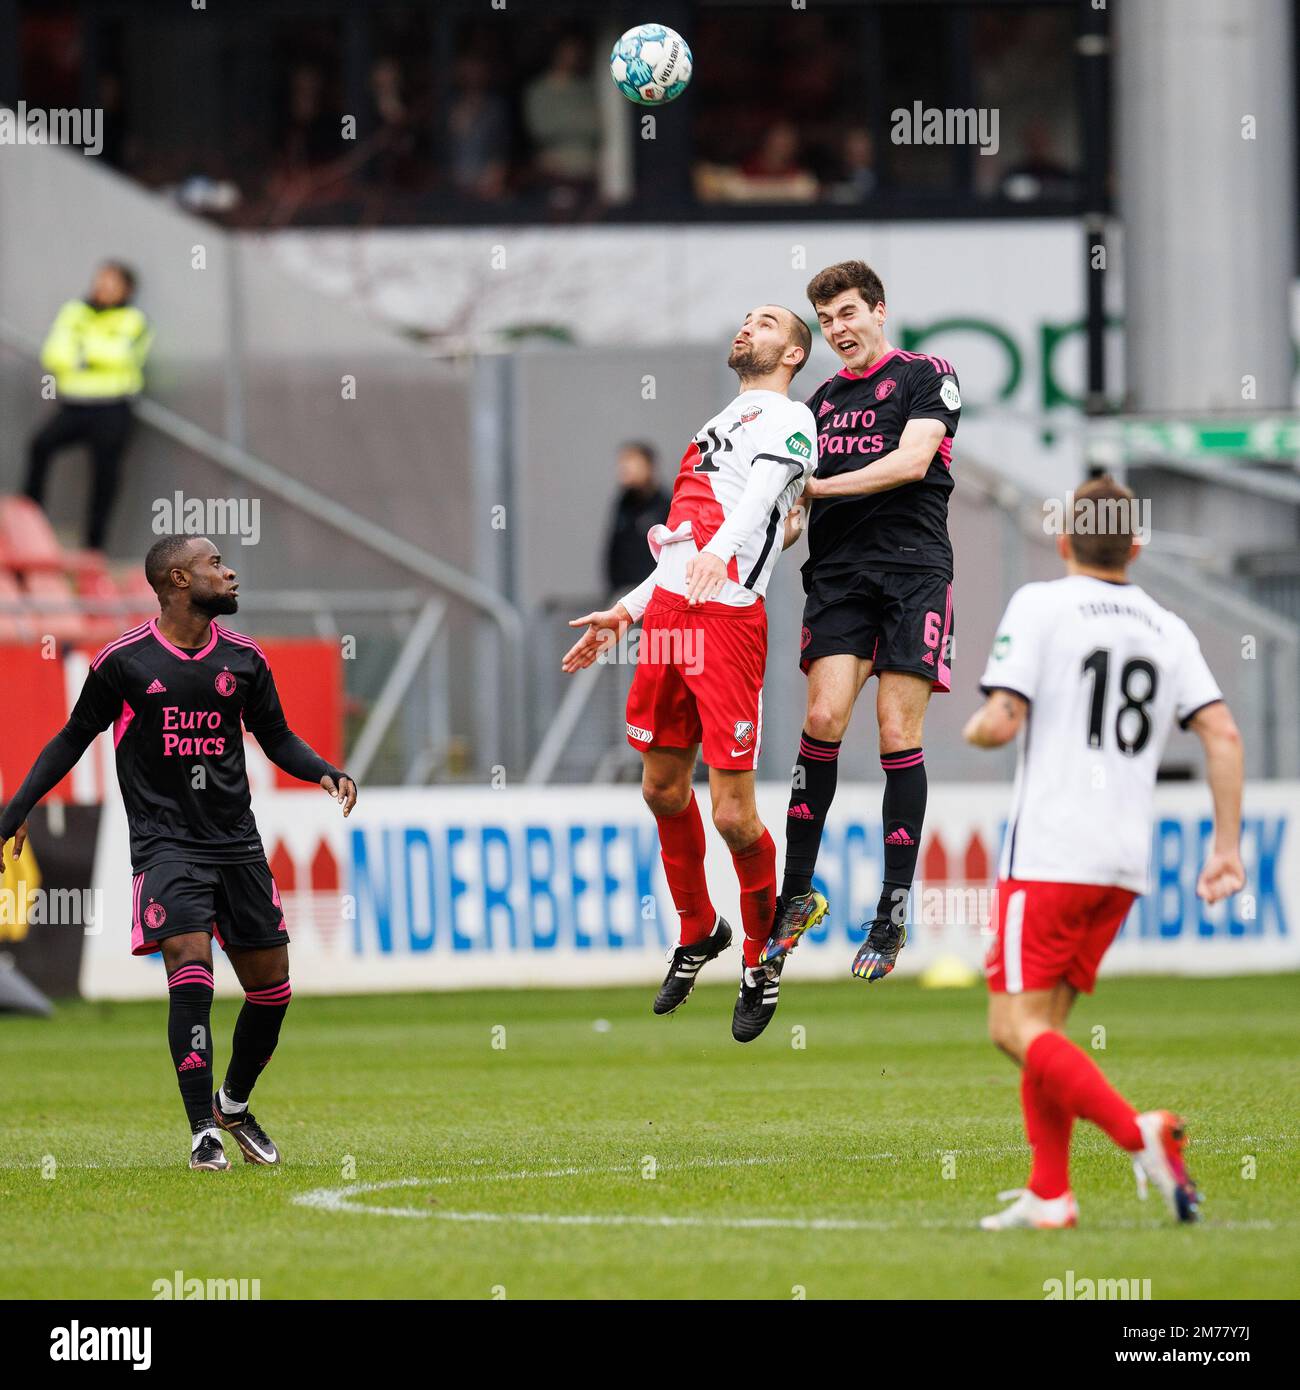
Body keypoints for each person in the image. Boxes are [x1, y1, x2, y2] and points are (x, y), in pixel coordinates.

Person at [0, 536, 358, 1171]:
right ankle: (201, 1131)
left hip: (237, 844)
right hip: (166, 846)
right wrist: (19, 806)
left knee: (270, 989)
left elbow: (274, 737)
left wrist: (324, 770)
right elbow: (72, 737)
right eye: (215, 565)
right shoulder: (124, 662)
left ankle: (233, 1104)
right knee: (190, 967)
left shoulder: (245, 661)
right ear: (178, 580)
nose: (230, 572)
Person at [963, 476, 1244, 1229]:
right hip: (1121, 862)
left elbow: (1003, 714)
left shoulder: (1042, 604)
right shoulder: (1167, 626)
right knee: (1045, 1024)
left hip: (1052, 852)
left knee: (1011, 1028)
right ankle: (1051, 1193)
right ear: (1137, 546)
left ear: (1061, 542)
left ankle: (1137, 1133)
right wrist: (1226, 847)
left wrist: (980, 727)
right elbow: (1222, 734)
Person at [562, 306, 815, 1042]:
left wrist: (722, 555)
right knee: (660, 787)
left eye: (765, 323)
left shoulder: (791, 421)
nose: (747, 329)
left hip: (728, 621)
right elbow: (681, 546)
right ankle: (700, 928)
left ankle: (765, 954)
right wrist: (628, 610)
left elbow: (761, 502)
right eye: (744, 321)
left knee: (733, 815)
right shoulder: (715, 423)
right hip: (671, 619)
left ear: (793, 351)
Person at [761, 260, 961, 984]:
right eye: (826, 319)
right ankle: (796, 896)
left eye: (847, 313)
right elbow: (792, 517)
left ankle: (892, 906)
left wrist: (815, 485)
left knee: (897, 732)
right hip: (840, 577)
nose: (837, 329)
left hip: (913, 572)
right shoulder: (815, 405)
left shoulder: (926, 375)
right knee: (823, 717)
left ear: (878, 310)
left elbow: (910, 464)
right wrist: (737, 554)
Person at [25, 261, 153, 551]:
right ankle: (29, 525)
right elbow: (54, 354)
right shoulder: (75, 311)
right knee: (40, 446)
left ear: (126, 289)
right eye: (101, 280)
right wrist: (97, 353)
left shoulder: (133, 319)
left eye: (112, 282)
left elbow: (124, 356)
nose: (104, 286)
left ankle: (94, 547)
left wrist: (83, 351)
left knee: (105, 475)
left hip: (113, 407)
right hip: (75, 404)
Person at [604, 442, 671, 594]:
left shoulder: (666, 506)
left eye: (632, 462)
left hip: (654, 594)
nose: (625, 468)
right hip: (623, 595)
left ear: (649, 467)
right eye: (623, 463)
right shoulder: (622, 504)